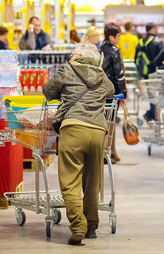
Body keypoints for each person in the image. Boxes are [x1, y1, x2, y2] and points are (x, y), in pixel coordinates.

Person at [42, 43, 114, 246]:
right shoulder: (101, 75)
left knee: (70, 181)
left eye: (73, 54)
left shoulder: (67, 69)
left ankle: (78, 226)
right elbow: (110, 91)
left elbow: (48, 91)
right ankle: (91, 225)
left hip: (73, 129)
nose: (70, 56)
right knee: (92, 182)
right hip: (98, 132)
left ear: (80, 55)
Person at [100, 23, 127, 163]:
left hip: (100, 91)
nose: (119, 39)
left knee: (105, 121)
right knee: (110, 122)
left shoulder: (99, 49)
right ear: (111, 37)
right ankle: (107, 153)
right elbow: (119, 74)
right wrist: (123, 93)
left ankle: (112, 151)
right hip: (113, 91)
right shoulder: (115, 51)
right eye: (117, 36)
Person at [136, 23, 163, 122]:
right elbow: (161, 57)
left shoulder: (141, 41)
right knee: (155, 93)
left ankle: (150, 114)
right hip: (155, 71)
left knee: (151, 93)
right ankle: (150, 114)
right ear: (153, 29)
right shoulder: (157, 41)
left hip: (145, 71)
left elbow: (136, 58)